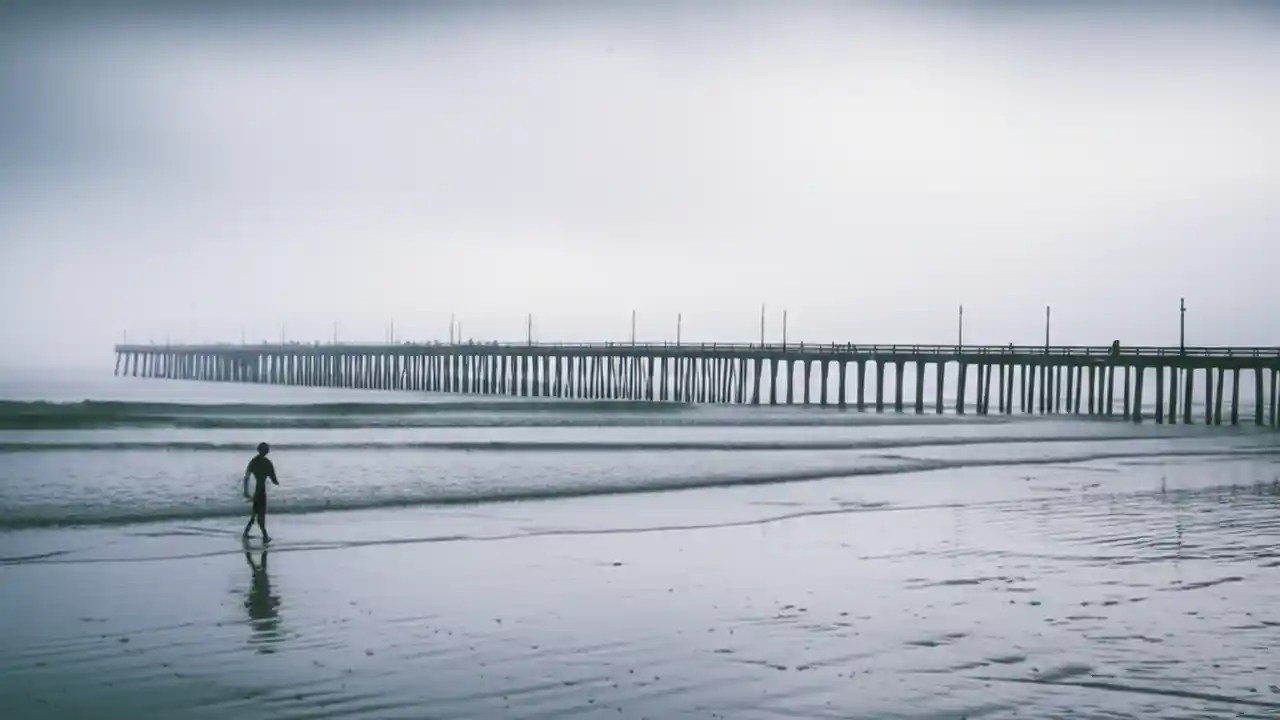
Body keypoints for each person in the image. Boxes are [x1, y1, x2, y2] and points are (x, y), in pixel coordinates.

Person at [243, 442, 279, 542]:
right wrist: (276, 482)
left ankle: (246, 533)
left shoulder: (253, 461)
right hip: (261, 491)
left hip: (257, 490)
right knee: (260, 514)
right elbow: (274, 480)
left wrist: (245, 491)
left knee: (255, 513)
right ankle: (265, 536)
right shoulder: (268, 463)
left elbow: (246, 477)